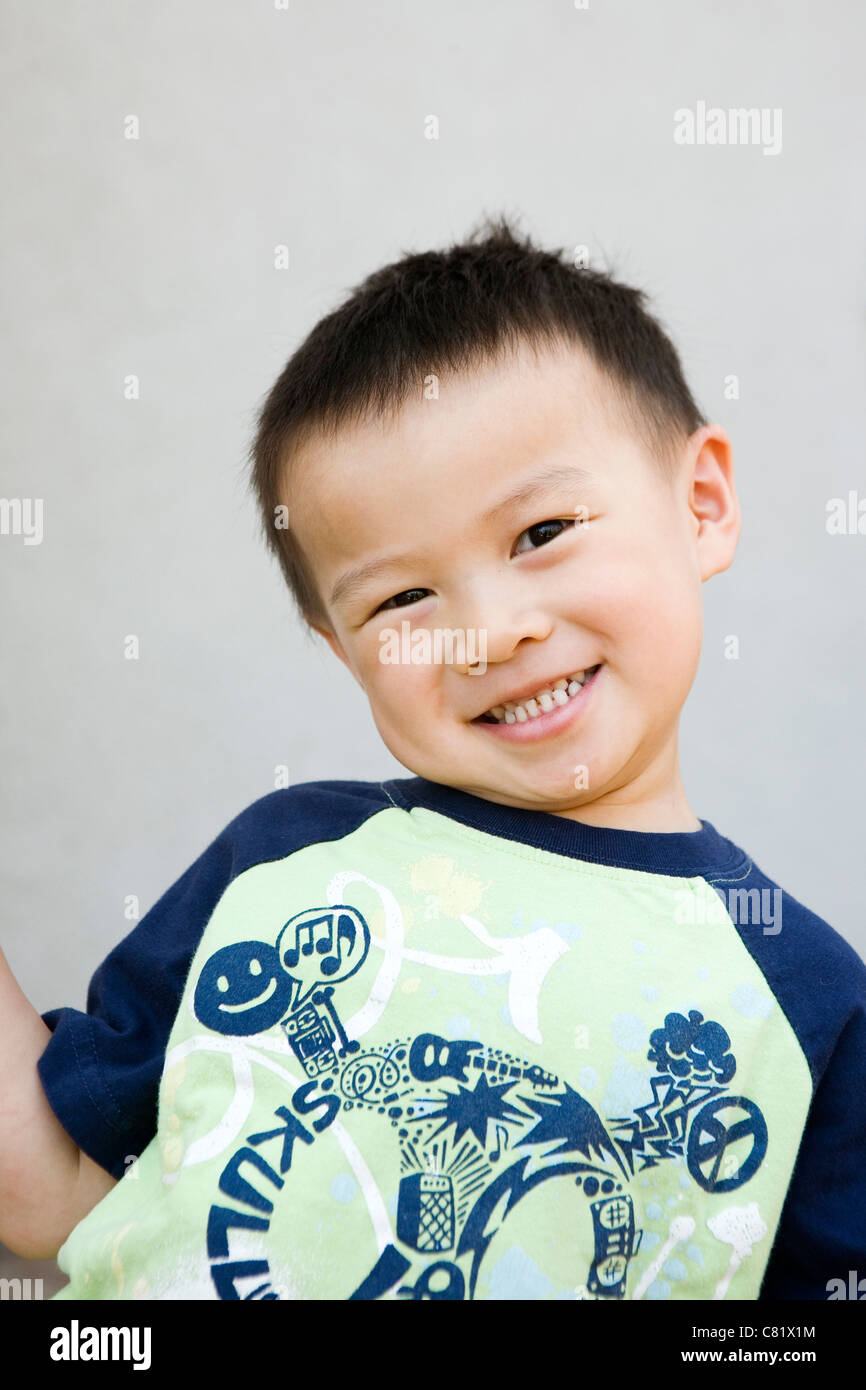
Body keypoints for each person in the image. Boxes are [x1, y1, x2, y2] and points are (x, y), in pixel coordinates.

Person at [2, 215, 864, 1301]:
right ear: (339, 646)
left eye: (542, 532)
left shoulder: (802, 999)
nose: (489, 631)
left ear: (699, 505)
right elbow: (50, 1201)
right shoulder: (286, 865)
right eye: (403, 597)